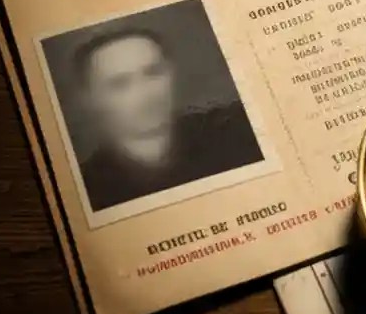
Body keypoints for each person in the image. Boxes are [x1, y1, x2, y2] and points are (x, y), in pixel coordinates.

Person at [71, 28, 261, 211]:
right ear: (90, 99)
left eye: (153, 72)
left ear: (171, 73)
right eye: (120, 84)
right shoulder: (88, 188)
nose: (145, 93)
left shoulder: (233, 131)